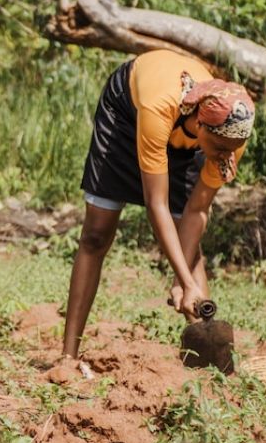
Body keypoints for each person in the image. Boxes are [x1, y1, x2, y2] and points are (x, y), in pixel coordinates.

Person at [61, 49, 255, 359]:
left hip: (182, 132)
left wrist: (183, 281)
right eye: (218, 148)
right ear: (201, 124)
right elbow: (156, 205)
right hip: (128, 114)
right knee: (97, 234)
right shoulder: (158, 107)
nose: (224, 157)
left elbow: (197, 210)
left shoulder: (231, 139)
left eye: (231, 151)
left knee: (190, 254)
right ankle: (68, 357)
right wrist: (185, 280)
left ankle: (209, 366)